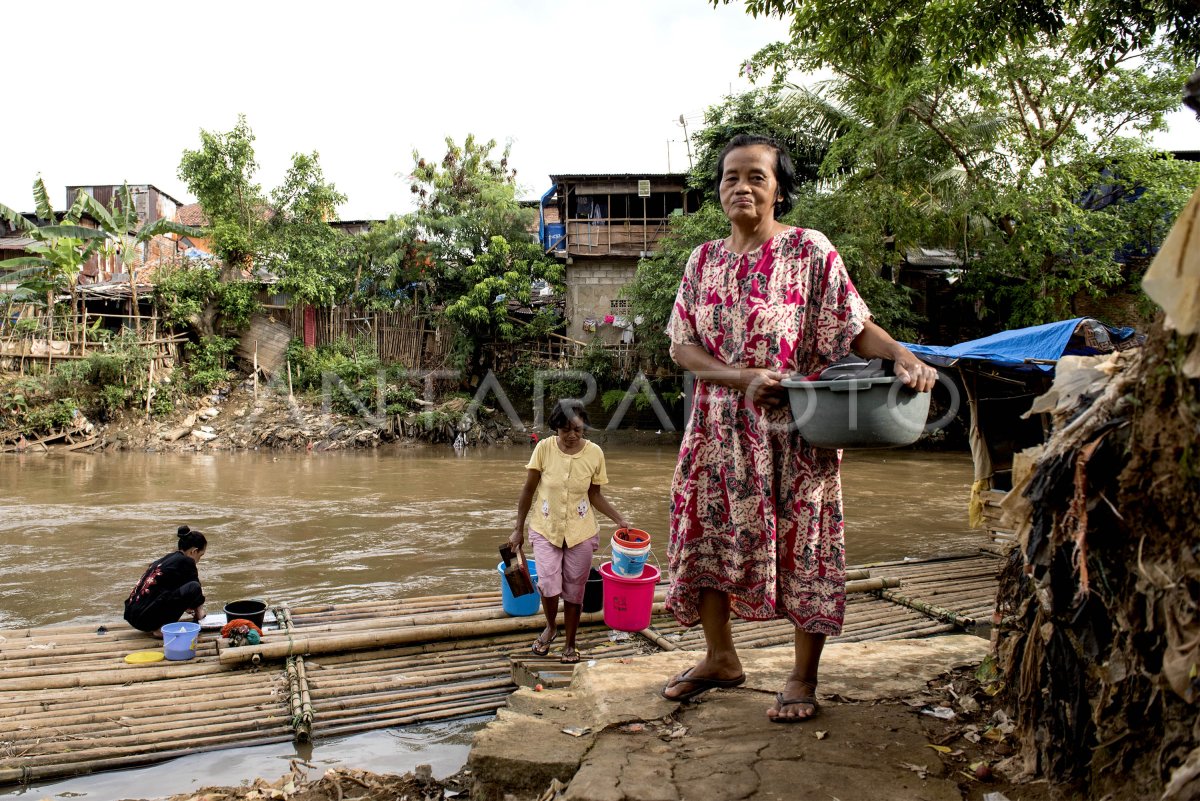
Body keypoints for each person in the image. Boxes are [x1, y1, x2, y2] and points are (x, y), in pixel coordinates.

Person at [660, 134, 938, 722]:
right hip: (716, 432)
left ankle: (802, 678)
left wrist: (901, 355)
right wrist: (741, 377)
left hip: (796, 433)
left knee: (806, 544)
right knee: (705, 535)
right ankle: (720, 658)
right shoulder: (702, 261)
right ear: (718, 190)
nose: (741, 186)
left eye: (756, 176)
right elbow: (683, 347)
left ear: (779, 190)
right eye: (731, 177)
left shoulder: (809, 250)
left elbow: (853, 327)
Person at [510, 400, 630, 664]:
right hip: (545, 528)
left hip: (581, 531)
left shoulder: (595, 453)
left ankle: (570, 644)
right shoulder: (544, 448)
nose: (572, 435)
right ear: (556, 428)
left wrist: (619, 519)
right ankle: (551, 627)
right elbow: (528, 490)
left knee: (575, 590)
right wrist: (517, 529)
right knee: (548, 584)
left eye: (578, 429)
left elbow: (595, 495)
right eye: (566, 430)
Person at [124, 525, 208, 637]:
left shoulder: (168, 559)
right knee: (194, 587)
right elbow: (196, 593)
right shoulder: (187, 561)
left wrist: (187, 605)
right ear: (194, 551)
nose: (198, 560)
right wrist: (200, 613)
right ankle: (161, 628)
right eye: (200, 556)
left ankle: (157, 624)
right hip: (145, 620)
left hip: (132, 615)